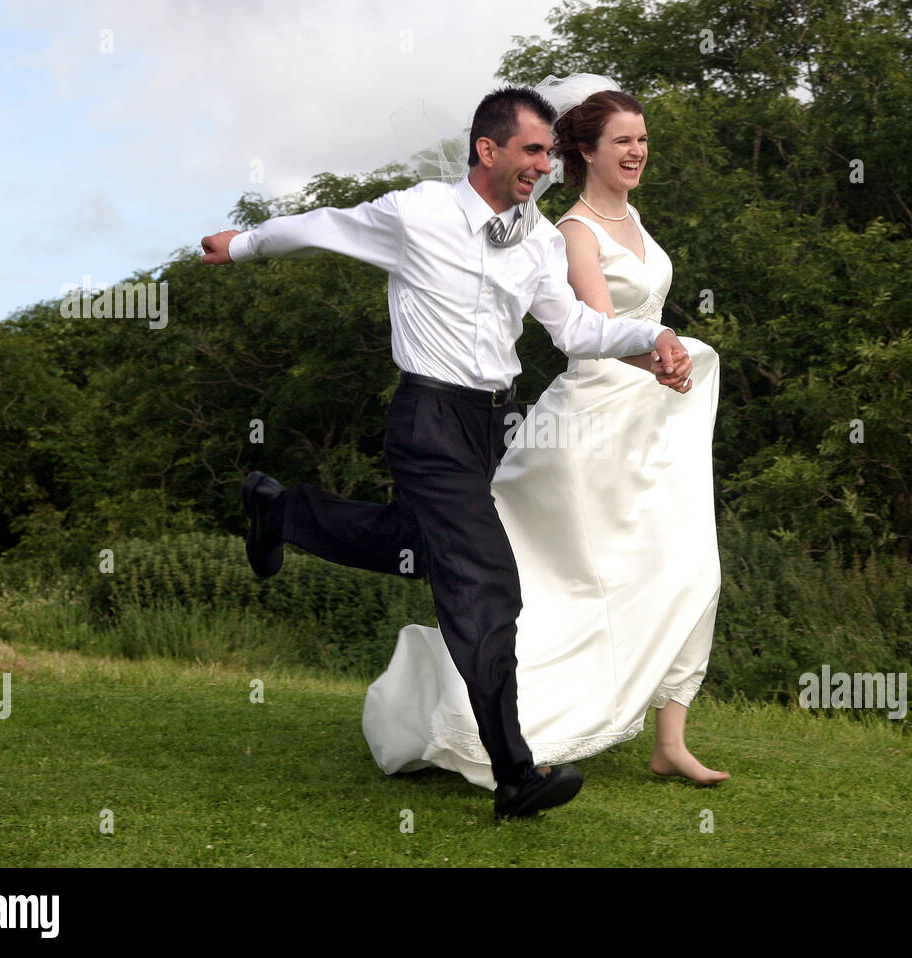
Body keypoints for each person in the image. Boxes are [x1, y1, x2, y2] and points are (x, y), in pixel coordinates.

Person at [199, 85, 693, 819]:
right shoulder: (416, 214)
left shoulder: (540, 240)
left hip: (490, 426)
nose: (543, 166)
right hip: (428, 417)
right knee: (489, 583)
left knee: (417, 546)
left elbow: (576, 330)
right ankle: (515, 773)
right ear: (487, 150)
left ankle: (283, 512)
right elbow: (319, 227)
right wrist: (240, 244)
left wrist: (647, 339)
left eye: (549, 154)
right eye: (532, 151)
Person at [363, 75, 728, 790]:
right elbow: (590, 333)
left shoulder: (636, 220)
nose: (637, 151)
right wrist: (658, 348)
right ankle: (506, 727)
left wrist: (671, 357)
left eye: (643, 139)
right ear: (583, 152)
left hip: (653, 420)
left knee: (693, 567)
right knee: (568, 584)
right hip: (595, 424)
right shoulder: (569, 232)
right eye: (622, 140)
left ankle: (670, 739)